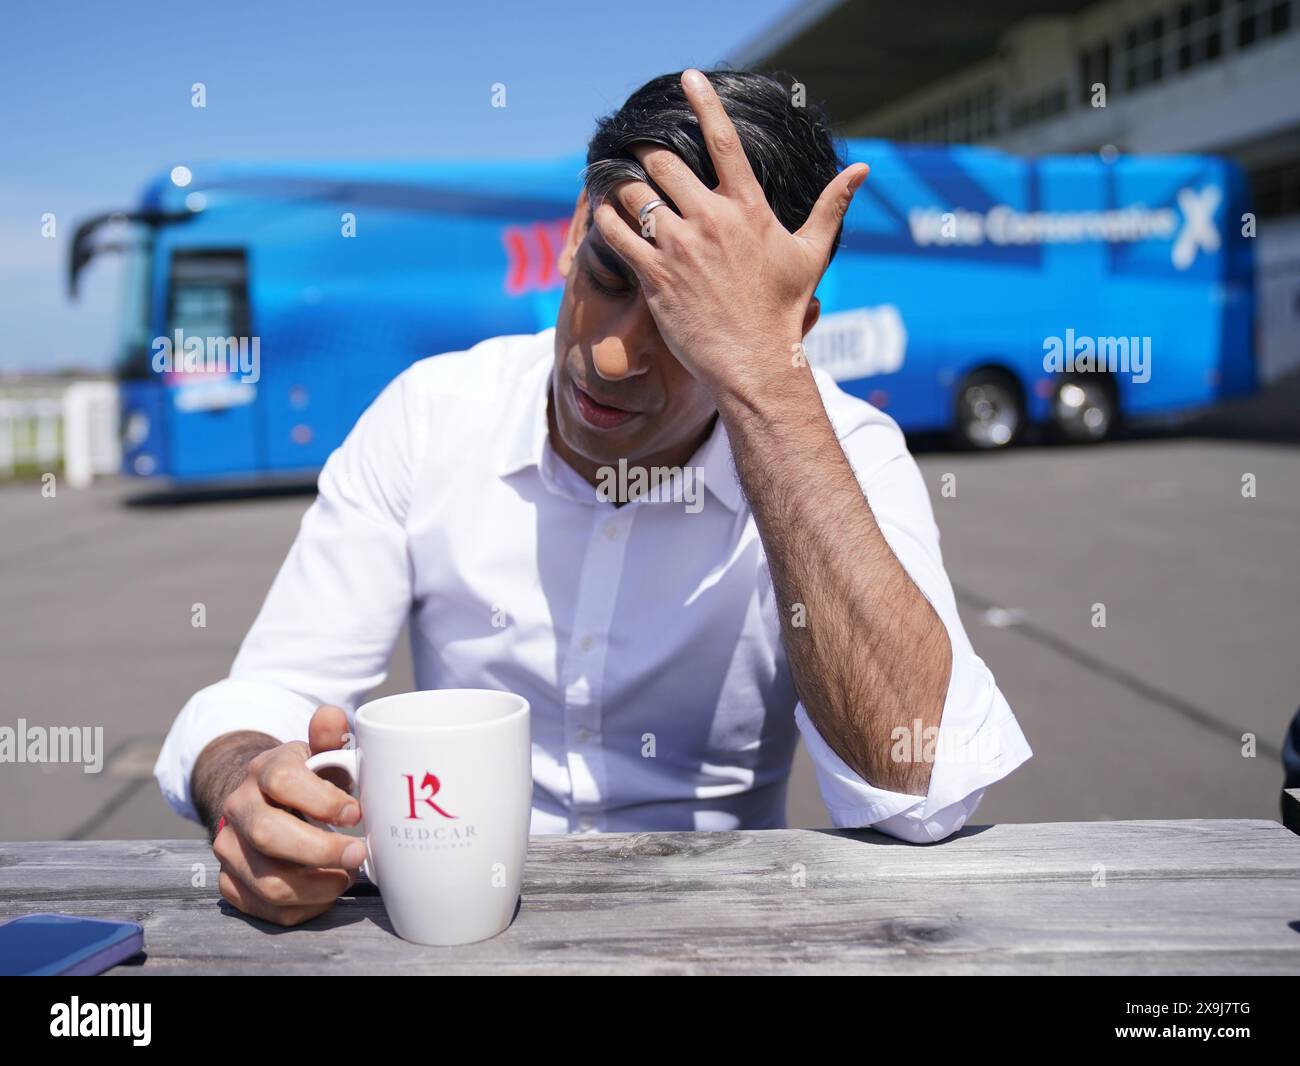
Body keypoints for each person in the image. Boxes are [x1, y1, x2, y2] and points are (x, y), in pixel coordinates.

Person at [154, 69, 1031, 926]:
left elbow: (925, 791)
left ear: (787, 328)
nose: (613, 357)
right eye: (613, 275)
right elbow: (264, 697)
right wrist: (250, 790)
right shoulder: (429, 418)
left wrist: (764, 378)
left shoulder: (838, 450)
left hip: (713, 941)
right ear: (575, 230)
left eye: (689, 320)